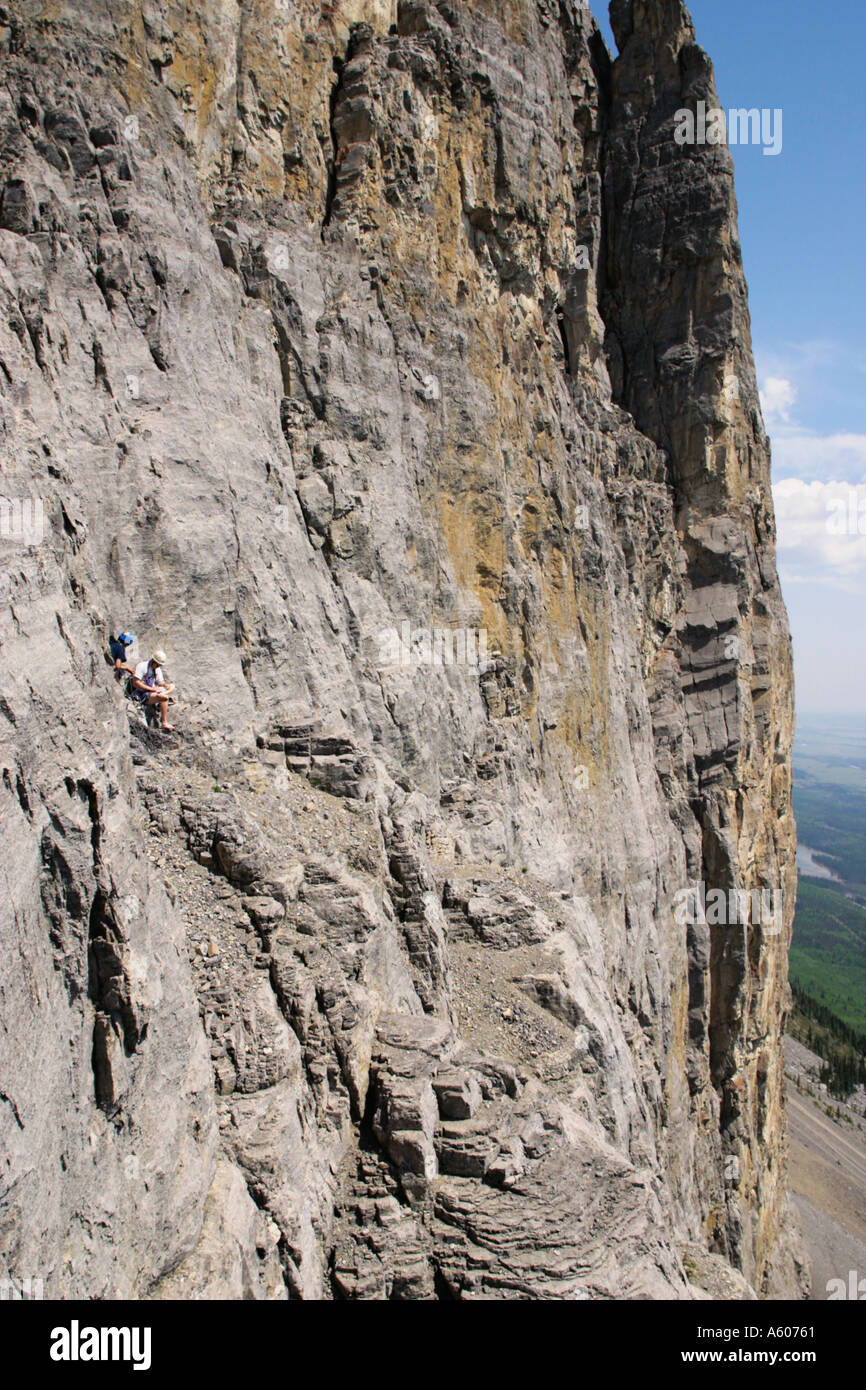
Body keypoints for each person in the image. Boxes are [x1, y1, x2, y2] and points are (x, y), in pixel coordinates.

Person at [132, 649, 176, 731]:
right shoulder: (142, 666)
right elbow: (135, 683)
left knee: (171, 687)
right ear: (153, 661)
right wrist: (151, 689)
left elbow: (160, 681)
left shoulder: (157, 670)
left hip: (154, 691)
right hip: (143, 693)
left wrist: (166, 685)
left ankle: (163, 693)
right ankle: (164, 722)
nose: (158, 667)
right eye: (158, 664)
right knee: (164, 697)